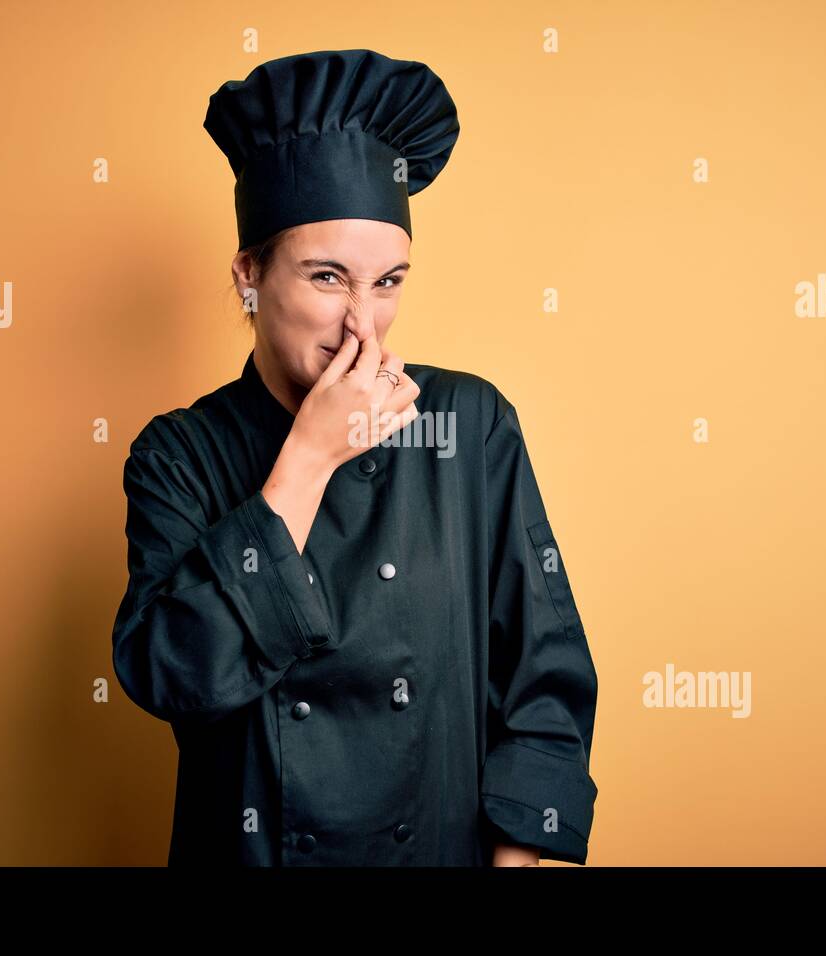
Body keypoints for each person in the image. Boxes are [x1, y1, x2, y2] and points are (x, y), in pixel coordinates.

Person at [110, 48, 600, 866]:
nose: (363, 324)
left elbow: (543, 676)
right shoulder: (178, 455)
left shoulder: (467, 422)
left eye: (389, 281)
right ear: (249, 276)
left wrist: (517, 861)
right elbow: (173, 677)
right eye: (328, 277)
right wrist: (304, 461)